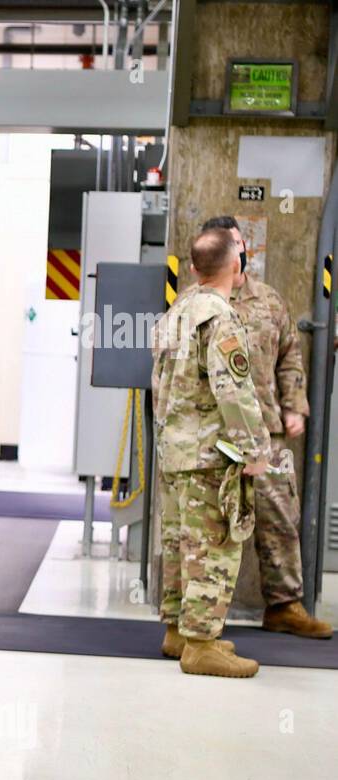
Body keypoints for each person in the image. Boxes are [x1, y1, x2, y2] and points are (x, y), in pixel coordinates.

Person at [200, 215, 331, 639]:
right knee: (209, 523)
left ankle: (284, 607)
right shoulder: (198, 303)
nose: (240, 253)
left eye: (242, 244)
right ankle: (202, 616)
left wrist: (295, 405)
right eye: (231, 245)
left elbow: (291, 354)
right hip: (215, 436)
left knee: (280, 519)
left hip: (268, 434)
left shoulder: (269, 301)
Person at [152, 227, 272, 677]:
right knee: (214, 546)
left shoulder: (177, 312)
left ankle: (178, 632)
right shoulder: (218, 317)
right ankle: (202, 644)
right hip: (208, 454)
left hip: (176, 450)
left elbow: (160, 387)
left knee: (181, 543)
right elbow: (233, 390)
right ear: (236, 264)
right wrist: (255, 450)